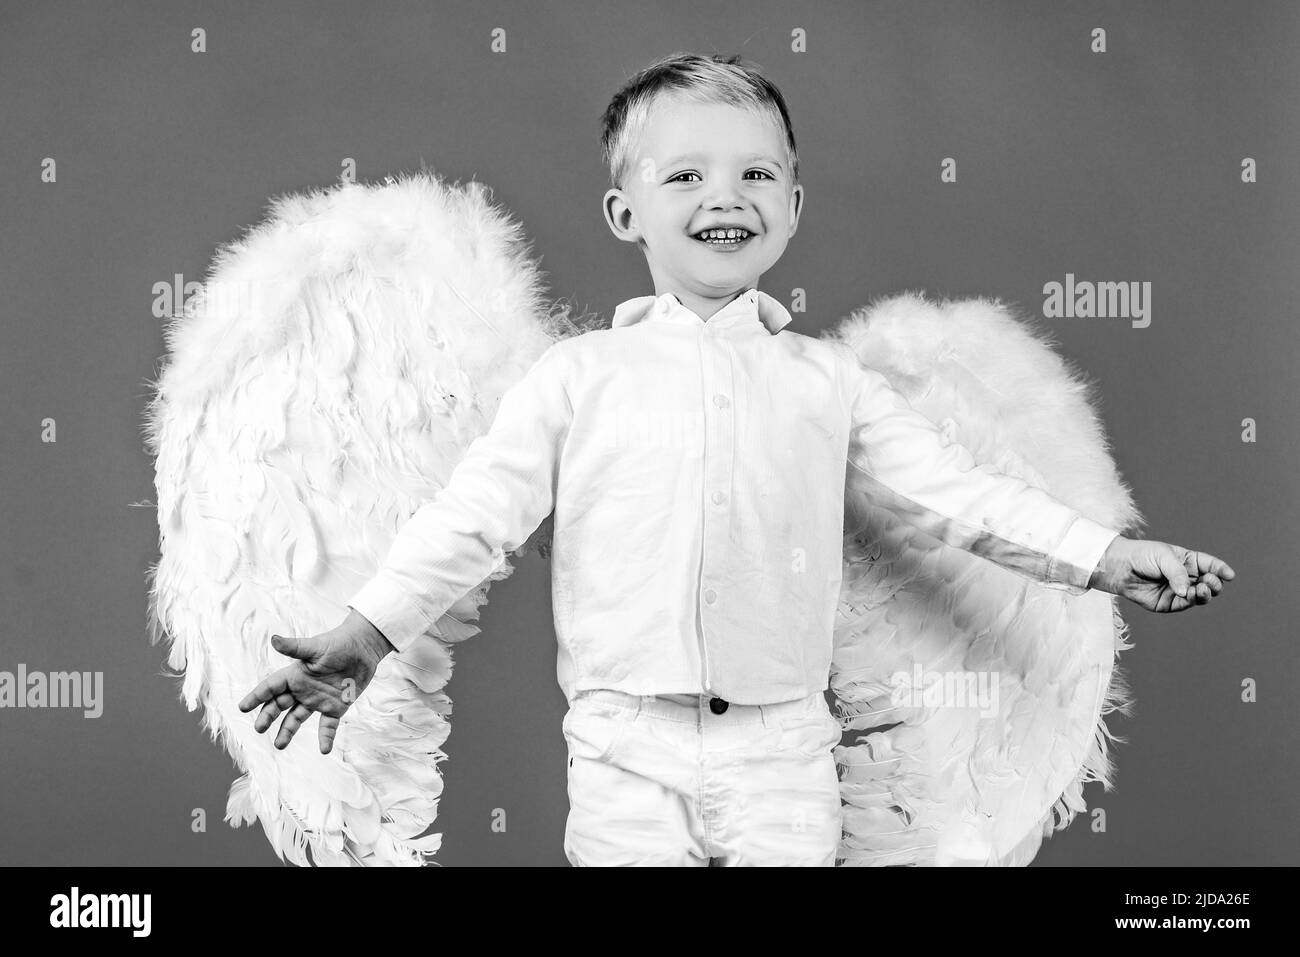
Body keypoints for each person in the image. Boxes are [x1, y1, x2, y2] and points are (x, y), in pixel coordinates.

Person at [238, 52, 1235, 866]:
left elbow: (958, 500)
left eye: (756, 174)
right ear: (625, 214)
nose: (726, 197)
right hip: (623, 749)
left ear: (794, 207)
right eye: (685, 176)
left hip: (784, 752)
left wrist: (1100, 555)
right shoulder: (577, 378)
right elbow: (472, 519)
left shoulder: (827, 384)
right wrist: (369, 633)